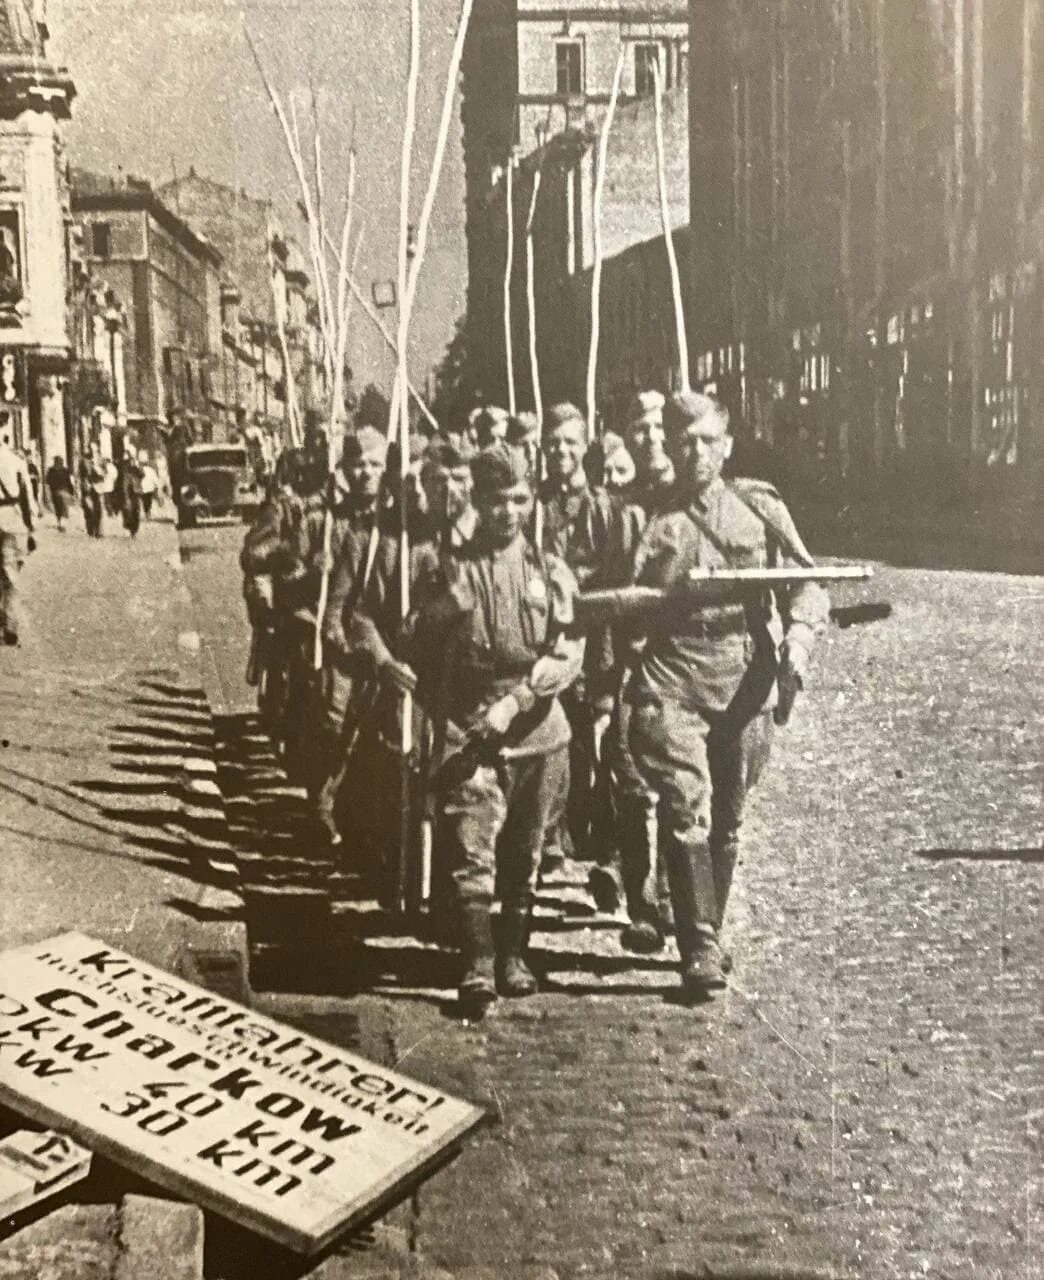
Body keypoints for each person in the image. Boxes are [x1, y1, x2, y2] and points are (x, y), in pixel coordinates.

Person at [626, 390, 830, 1000]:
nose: (695, 452)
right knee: (686, 804)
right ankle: (699, 947)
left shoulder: (759, 509)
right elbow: (607, 600)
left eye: (708, 440)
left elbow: (807, 584)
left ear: (727, 444)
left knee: (729, 819)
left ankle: (705, 925)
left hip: (745, 673)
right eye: (683, 441)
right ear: (665, 443)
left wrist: (797, 646)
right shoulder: (643, 516)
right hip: (672, 671)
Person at [397, 443, 584, 1011]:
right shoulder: (445, 567)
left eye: (520, 499)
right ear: (476, 501)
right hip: (470, 726)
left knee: (525, 849)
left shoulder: (549, 570)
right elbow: (412, 644)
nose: (508, 511)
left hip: (537, 732)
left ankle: (513, 953)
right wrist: (438, 613)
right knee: (471, 845)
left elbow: (569, 649)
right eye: (496, 500)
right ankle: (477, 960)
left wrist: (526, 695)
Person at [537, 402, 616, 869]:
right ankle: (553, 834)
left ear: (585, 445)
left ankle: (599, 838)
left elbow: (612, 570)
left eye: (570, 442)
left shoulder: (600, 505)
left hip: (595, 633)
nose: (561, 450)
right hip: (551, 634)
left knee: (596, 733)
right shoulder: (535, 505)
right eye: (553, 442)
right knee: (554, 734)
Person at [0, 416, 36, 645]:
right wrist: (32, 530)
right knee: (11, 575)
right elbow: (28, 498)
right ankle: (10, 624)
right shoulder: (15, 460)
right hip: (11, 520)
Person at [45, 455, 75, 531]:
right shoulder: (64, 470)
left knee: (59, 507)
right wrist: (72, 492)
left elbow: (48, 481)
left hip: (56, 491)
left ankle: (60, 523)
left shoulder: (52, 470)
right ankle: (61, 523)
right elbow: (69, 482)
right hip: (60, 490)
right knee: (62, 507)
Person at [138, 452, 159, 519]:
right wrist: (157, 486)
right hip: (150, 488)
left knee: (144, 501)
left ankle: (146, 512)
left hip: (143, 488)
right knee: (149, 501)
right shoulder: (151, 470)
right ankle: (148, 512)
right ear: (147, 462)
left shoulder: (139, 470)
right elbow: (155, 479)